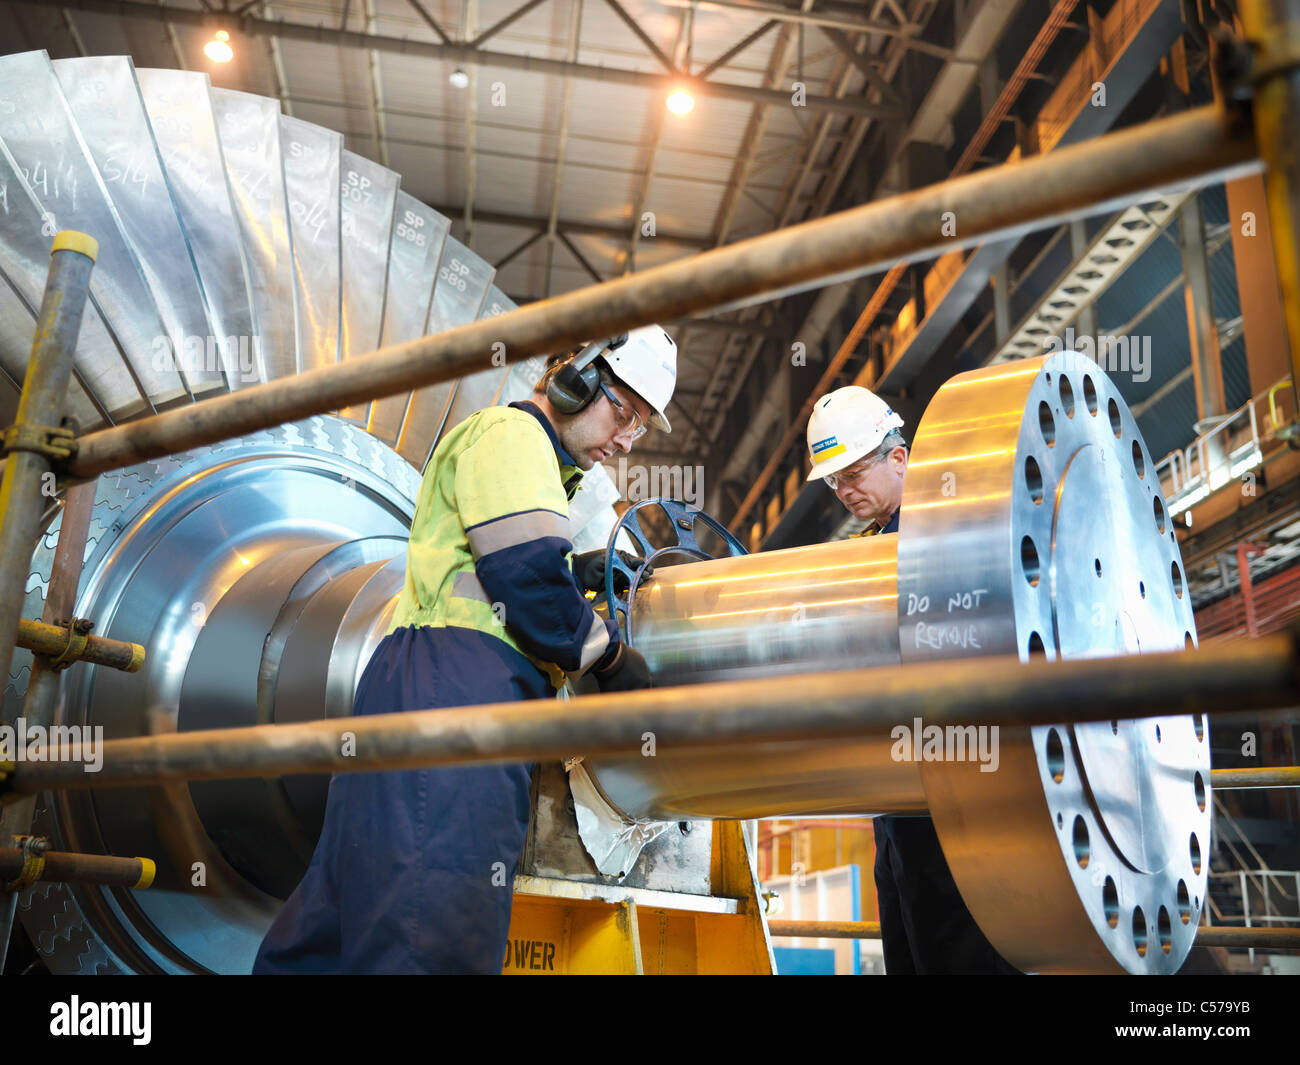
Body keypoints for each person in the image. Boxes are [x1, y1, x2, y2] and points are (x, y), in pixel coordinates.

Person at [253, 326, 678, 974]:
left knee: (338, 927)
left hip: (418, 687)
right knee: (436, 927)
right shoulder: (513, 437)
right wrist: (611, 658)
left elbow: (519, 571)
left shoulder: (530, 462)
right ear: (577, 377)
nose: (625, 440)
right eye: (623, 410)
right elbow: (527, 584)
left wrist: (575, 573)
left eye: (640, 428)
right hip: (461, 695)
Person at [804, 385, 1019, 975]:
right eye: (834, 481)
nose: (845, 490)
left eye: (853, 471)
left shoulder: (947, 527)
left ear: (898, 458)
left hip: (950, 775)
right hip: (898, 777)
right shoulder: (871, 546)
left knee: (954, 937)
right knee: (906, 931)